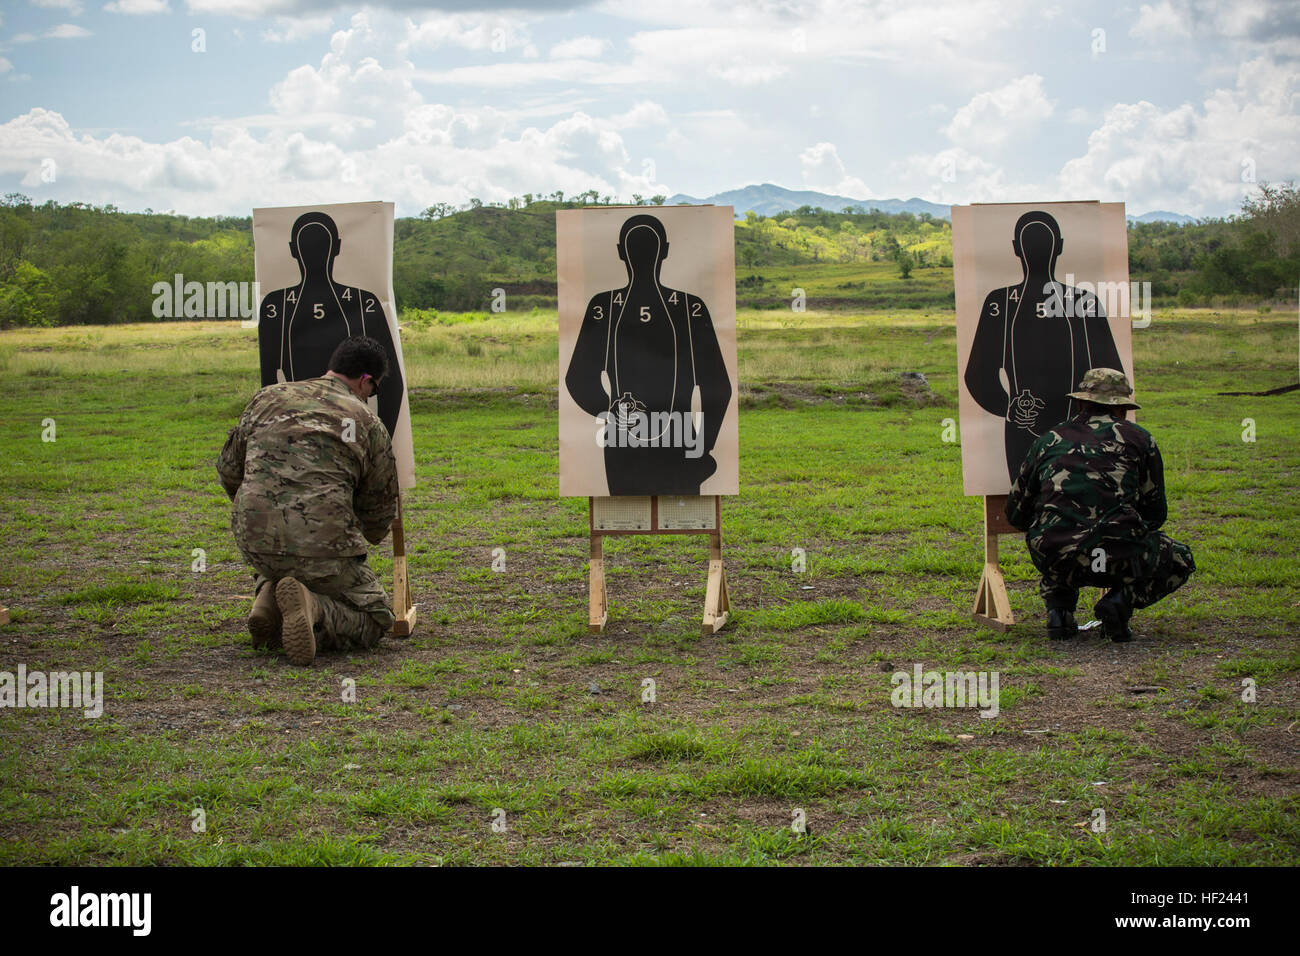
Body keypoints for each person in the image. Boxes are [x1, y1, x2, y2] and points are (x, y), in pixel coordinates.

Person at [217, 336, 398, 665]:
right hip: (323, 552)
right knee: (378, 617)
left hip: (256, 543)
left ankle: (268, 597)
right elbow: (378, 513)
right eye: (374, 390)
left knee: (284, 554)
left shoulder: (266, 399)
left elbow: (229, 471)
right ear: (366, 381)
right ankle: (316, 609)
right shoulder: (366, 421)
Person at [1005, 367, 1194, 642]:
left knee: (1058, 536)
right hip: (1119, 553)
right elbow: (1155, 514)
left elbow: (1016, 513)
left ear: (1081, 403)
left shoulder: (1048, 441)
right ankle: (1119, 602)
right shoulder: (1141, 440)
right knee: (1179, 558)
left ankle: (1059, 613)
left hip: (1056, 554)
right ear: (1122, 410)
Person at [564, 213, 732, 495]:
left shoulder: (607, 306)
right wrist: (703, 447)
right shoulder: (688, 307)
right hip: (673, 436)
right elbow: (718, 388)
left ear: (620, 252)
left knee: (632, 509)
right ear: (665, 250)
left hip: (627, 436)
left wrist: (611, 411)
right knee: (671, 511)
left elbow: (579, 380)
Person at [964, 210, 1124, 481]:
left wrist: (1010, 408)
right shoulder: (1001, 303)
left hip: (1071, 426)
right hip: (1033, 428)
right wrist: (1009, 408)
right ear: (1060, 245)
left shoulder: (1082, 302)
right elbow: (978, 375)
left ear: (1015, 248)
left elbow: (1113, 373)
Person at [257, 211, 405, 437]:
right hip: (306, 422)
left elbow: (392, 385)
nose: (315, 253)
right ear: (293, 250)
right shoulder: (276, 305)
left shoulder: (363, 302)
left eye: (320, 245)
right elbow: (268, 385)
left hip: (342, 423)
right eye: (309, 245)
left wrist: (379, 442)